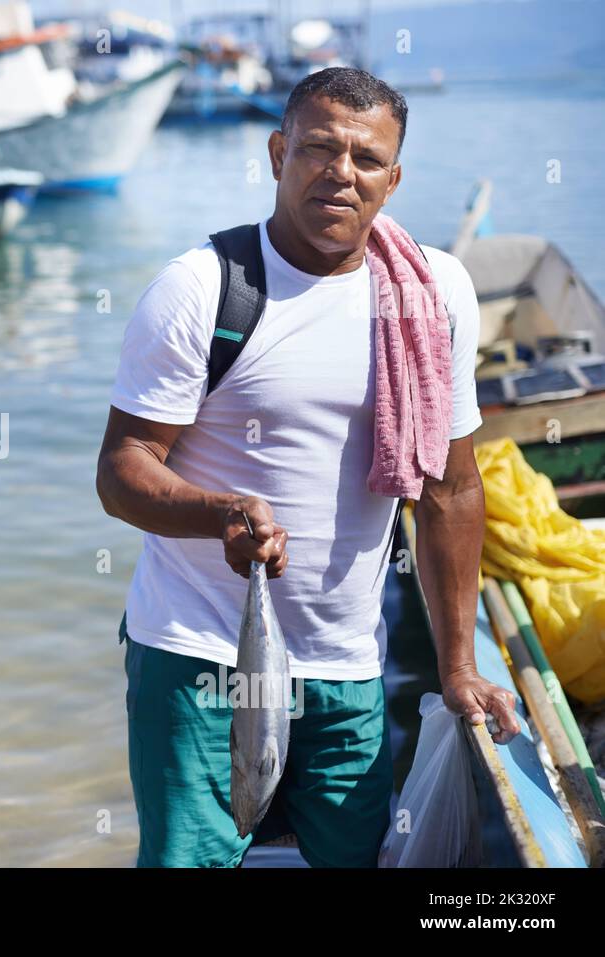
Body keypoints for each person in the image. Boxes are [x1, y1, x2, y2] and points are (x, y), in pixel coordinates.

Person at [95, 67, 521, 868]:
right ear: (277, 153)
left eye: (367, 159)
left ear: (393, 181)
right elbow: (123, 468)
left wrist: (459, 666)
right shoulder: (202, 288)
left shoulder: (434, 294)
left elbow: (452, 489)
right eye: (320, 149)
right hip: (200, 655)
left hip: (347, 665)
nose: (341, 173)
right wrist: (217, 513)